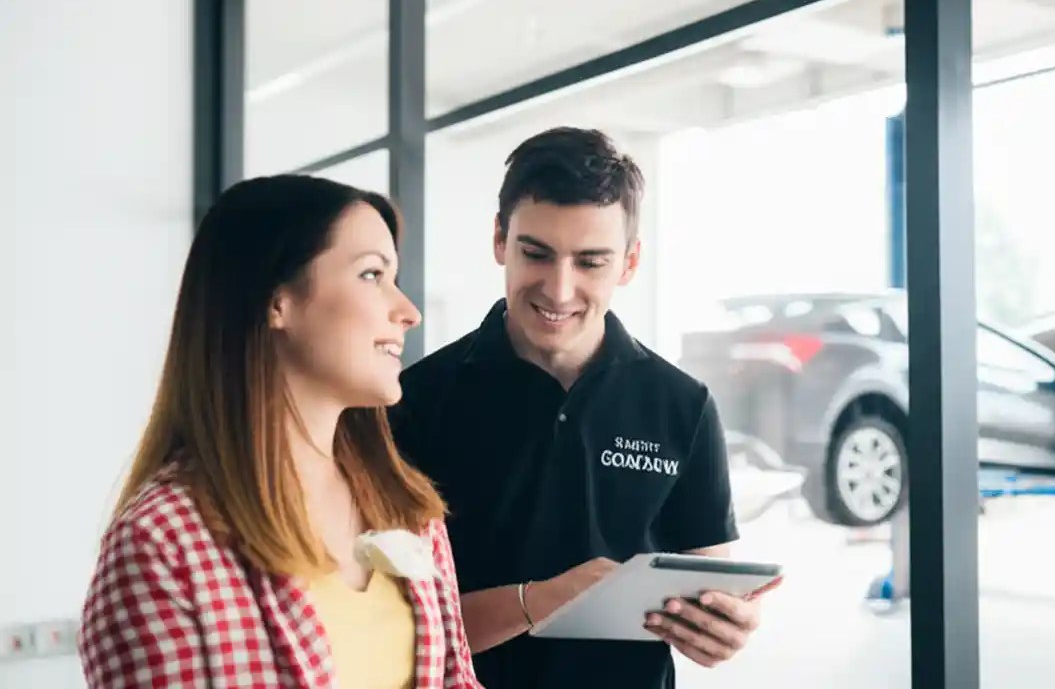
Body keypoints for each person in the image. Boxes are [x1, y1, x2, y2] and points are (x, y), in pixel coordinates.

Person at [389, 127, 778, 689]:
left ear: (629, 262)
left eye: (590, 262)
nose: (559, 289)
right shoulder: (416, 399)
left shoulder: (682, 404)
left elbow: (709, 582)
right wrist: (540, 600)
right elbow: (395, 623)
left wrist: (725, 628)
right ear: (499, 240)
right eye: (536, 254)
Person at [77, 176, 482, 688]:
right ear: (277, 302)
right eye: (371, 274)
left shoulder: (408, 509)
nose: (408, 312)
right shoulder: (162, 545)